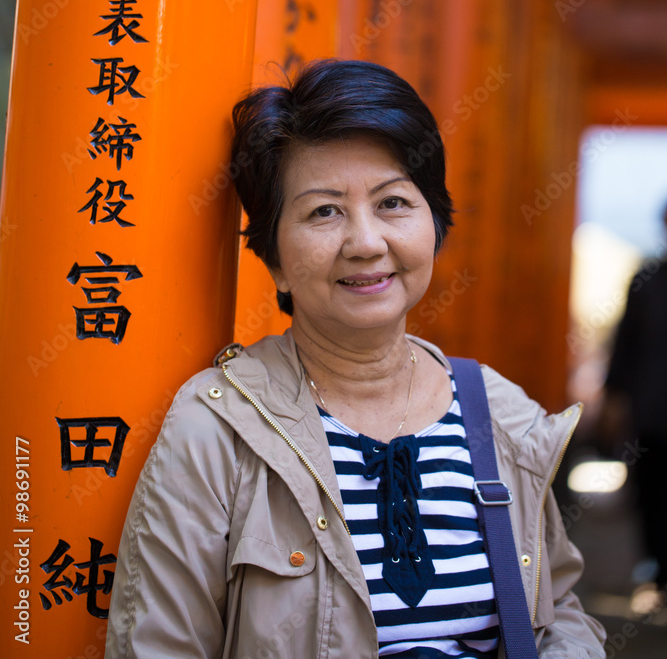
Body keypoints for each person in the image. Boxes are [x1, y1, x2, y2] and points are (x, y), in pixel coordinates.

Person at [106, 59, 605, 659]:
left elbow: (558, 611)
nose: (366, 243)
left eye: (393, 202)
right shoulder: (219, 429)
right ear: (274, 259)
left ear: (434, 224)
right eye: (324, 211)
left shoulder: (499, 412)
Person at [604, 203, 667, 603]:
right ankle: (658, 570)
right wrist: (614, 398)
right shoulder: (647, 278)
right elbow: (624, 344)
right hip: (652, 414)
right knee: (651, 494)